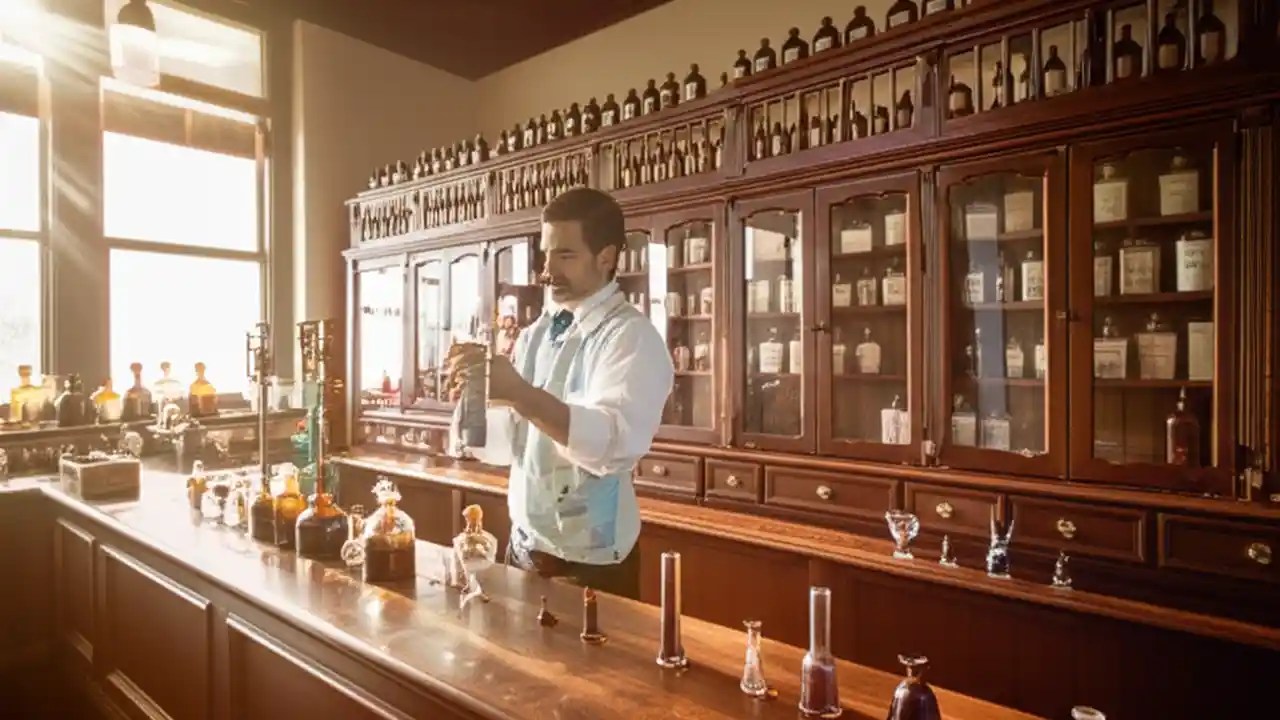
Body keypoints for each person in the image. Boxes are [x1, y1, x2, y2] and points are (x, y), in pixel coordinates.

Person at [447, 187, 673, 599]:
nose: (547, 270)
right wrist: (476, 394)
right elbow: (504, 448)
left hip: (592, 566)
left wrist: (519, 393)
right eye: (545, 254)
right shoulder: (535, 335)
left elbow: (611, 445)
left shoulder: (631, 337)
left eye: (565, 255)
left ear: (606, 258)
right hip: (524, 549)